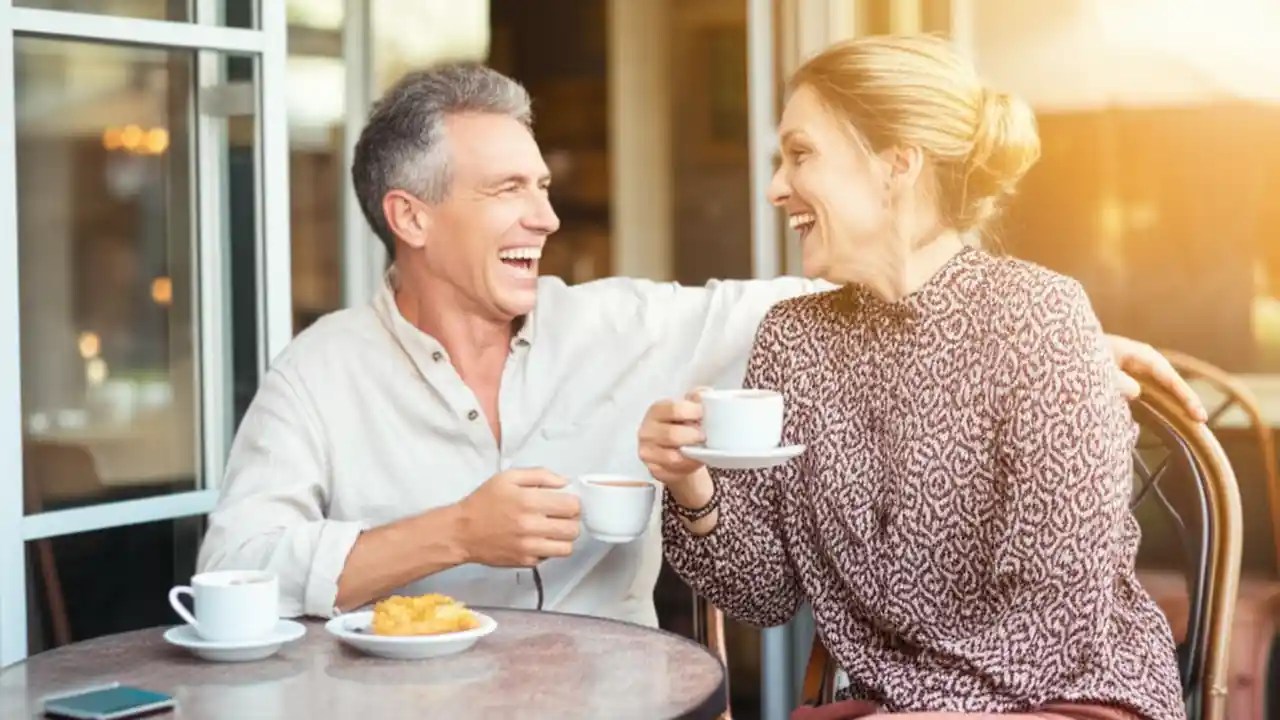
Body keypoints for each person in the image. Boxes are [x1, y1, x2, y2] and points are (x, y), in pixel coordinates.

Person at [198, 62, 1203, 632]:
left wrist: (1044, 340)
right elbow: (231, 571)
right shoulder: (320, 372)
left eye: (542, 187)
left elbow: (858, 297)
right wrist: (452, 535)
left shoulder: (624, 325)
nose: (545, 217)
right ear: (410, 218)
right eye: (508, 190)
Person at [640, 36, 1183, 720]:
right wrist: (691, 485)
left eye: (801, 154)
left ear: (896, 164)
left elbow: (1055, 621)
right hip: (890, 707)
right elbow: (763, 595)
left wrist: (914, 713)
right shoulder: (794, 340)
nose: (776, 187)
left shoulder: (1040, 315)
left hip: (1065, 697)